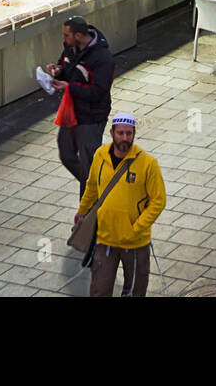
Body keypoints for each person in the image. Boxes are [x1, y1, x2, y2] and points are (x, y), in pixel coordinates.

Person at [76, 111, 166, 297]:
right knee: (99, 290)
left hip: (135, 243)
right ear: (111, 133)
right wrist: (82, 211)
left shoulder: (148, 163)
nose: (125, 138)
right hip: (106, 239)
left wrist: (136, 228)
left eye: (129, 133)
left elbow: (158, 200)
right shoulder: (100, 155)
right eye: (121, 133)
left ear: (134, 134)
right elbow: (92, 187)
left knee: (134, 291)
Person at [48, 16, 115, 198]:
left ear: (78, 35)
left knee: (88, 164)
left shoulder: (103, 58)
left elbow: (98, 92)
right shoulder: (71, 47)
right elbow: (64, 64)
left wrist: (69, 87)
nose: (64, 38)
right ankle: (98, 187)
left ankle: (86, 213)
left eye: (66, 35)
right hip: (72, 111)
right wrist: (58, 70)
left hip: (91, 116)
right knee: (66, 153)